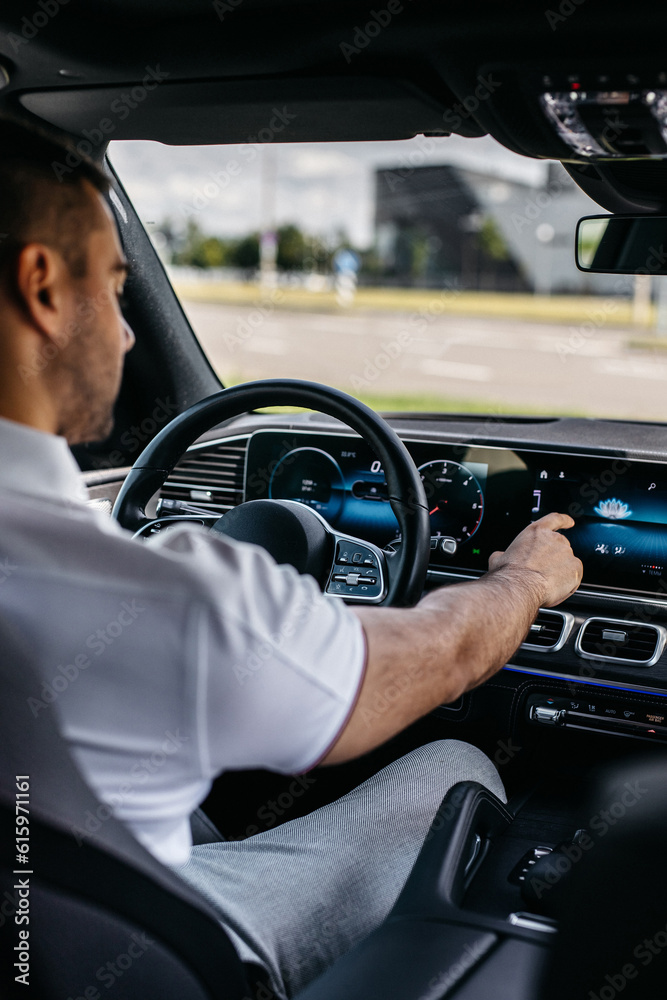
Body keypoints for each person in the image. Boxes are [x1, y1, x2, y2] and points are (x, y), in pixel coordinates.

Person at [0, 116, 583, 998]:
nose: (125, 335)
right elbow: (446, 652)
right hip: (147, 961)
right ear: (42, 287)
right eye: (116, 289)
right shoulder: (165, 598)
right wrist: (525, 581)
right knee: (453, 766)